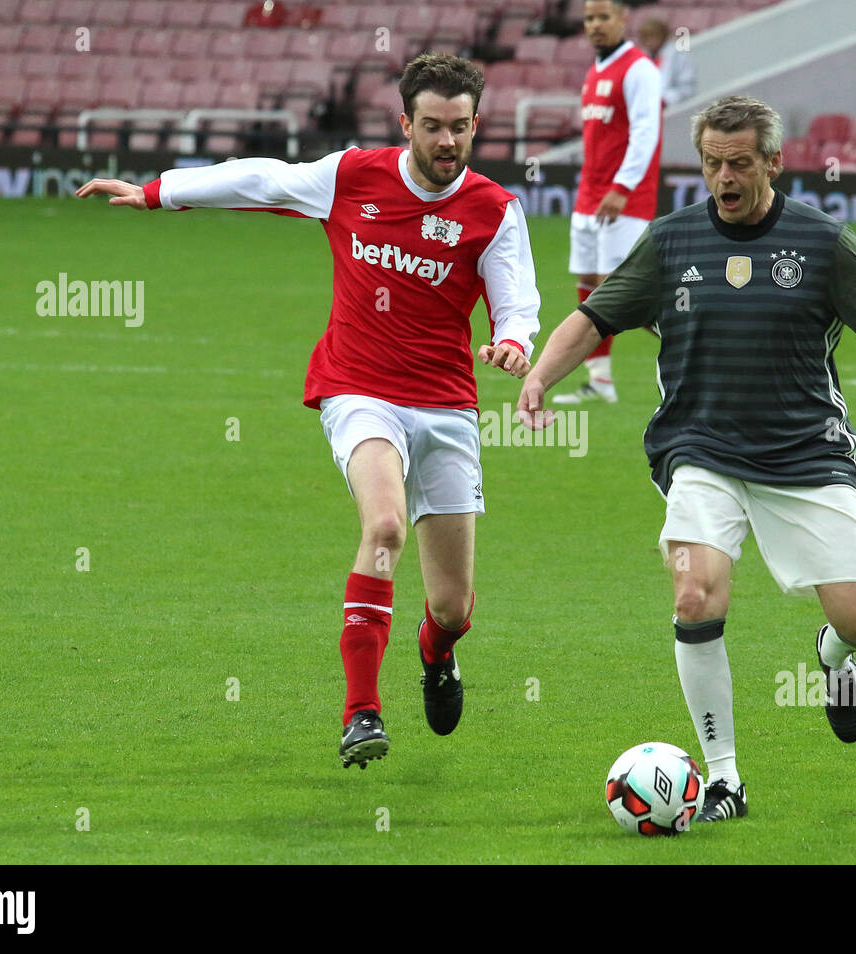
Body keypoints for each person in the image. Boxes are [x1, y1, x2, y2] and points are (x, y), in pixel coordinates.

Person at [75, 54, 540, 769]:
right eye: (433, 127)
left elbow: (515, 301)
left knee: (452, 607)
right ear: (405, 123)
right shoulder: (353, 176)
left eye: (460, 128)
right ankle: (361, 712)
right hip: (359, 389)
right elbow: (262, 177)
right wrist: (158, 192)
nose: (447, 142)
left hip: (446, 404)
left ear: (476, 124)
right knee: (382, 525)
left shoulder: (494, 209)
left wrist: (512, 341)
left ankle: (436, 654)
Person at [518, 96, 856, 822]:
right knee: (693, 597)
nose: (724, 177)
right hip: (700, 451)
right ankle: (724, 780)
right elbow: (594, 318)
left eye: (739, 163)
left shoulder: (821, 241)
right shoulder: (671, 242)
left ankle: (834, 661)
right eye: (712, 163)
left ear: (774, 161)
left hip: (806, 456)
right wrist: (538, 378)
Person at [554, 0, 662, 405]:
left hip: (622, 200)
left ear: (623, 19)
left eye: (603, 17)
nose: (595, 25)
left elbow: (646, 133)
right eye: (589, 18)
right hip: (589, 197)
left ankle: (703, 349)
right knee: (588, 283)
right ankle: (599, 381)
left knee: (624, 292)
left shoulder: (639, 69)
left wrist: (623, 186)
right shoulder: (595, 69)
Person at [637, 18, 697, 108]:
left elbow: (687, 89)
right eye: (645, 38)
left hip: (675, 109)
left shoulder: (678, 56)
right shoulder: (641, 59)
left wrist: (665, 100)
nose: (648, 42)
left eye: (652, 37)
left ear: (663, 36)